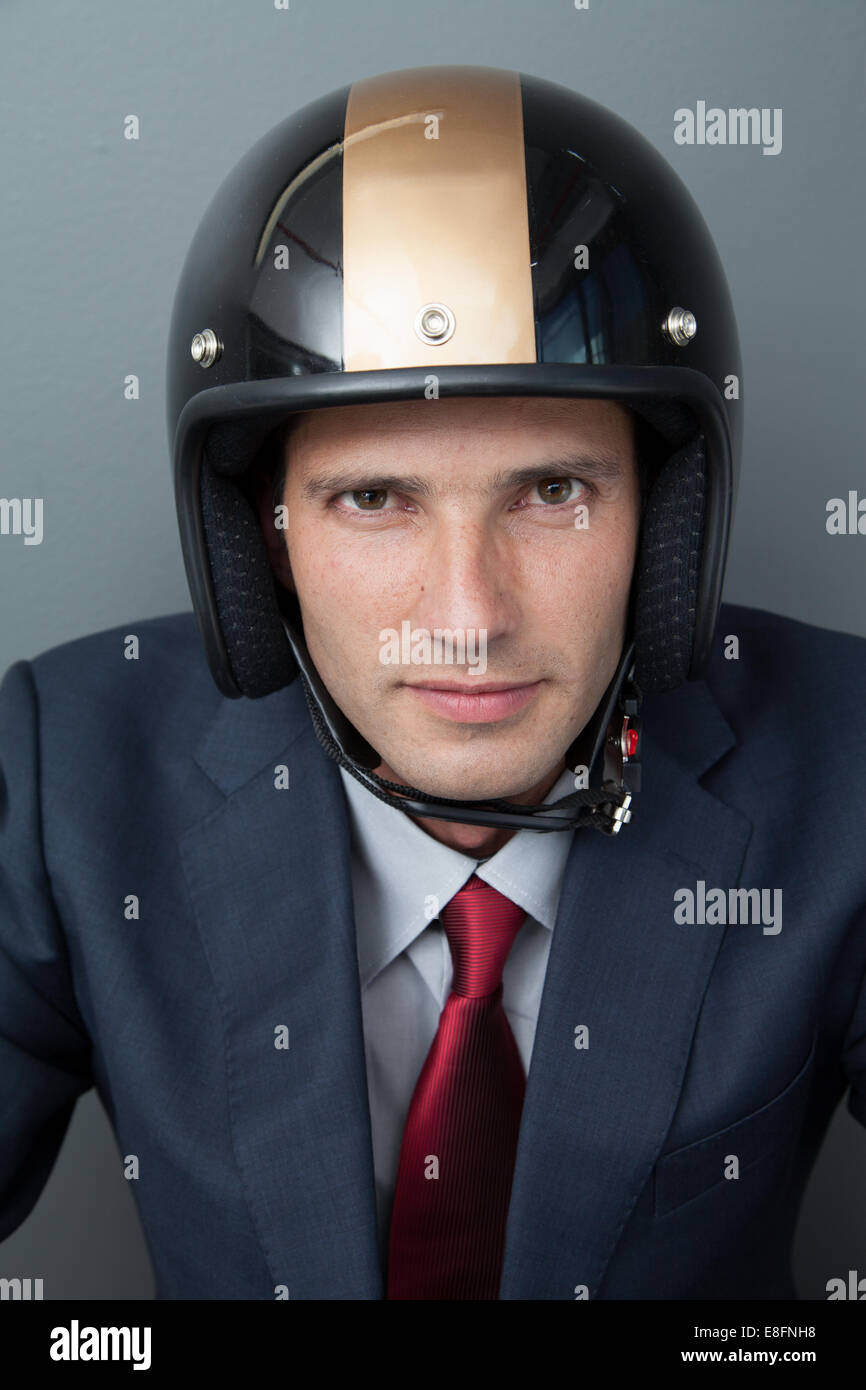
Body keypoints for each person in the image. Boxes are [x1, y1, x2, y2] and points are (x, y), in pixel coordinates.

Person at [1, 63, 864, 1302]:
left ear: (668, 525)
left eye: (553, 491)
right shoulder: (63, 773)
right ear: (262, 539)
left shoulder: (844, 761)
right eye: (373, 500)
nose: (467, 619)